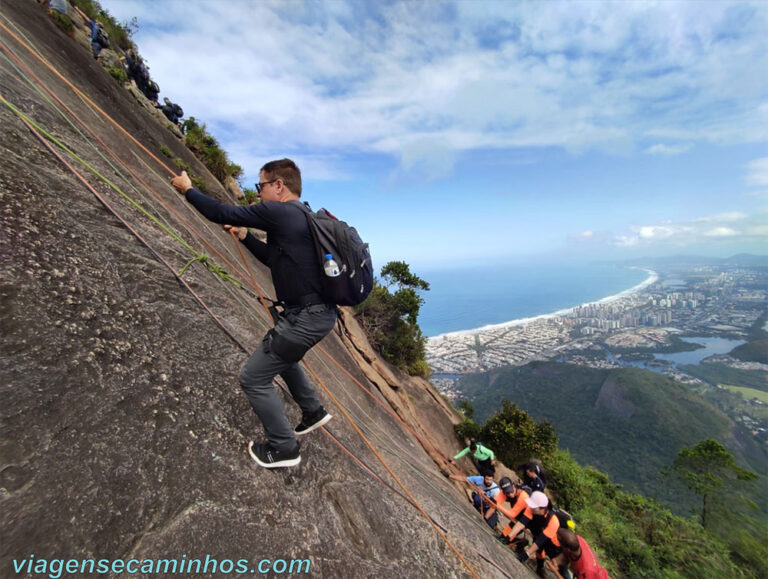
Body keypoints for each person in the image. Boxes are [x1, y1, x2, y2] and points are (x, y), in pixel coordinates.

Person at [170, 159, 337, 468]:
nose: (257, 192)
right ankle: (312, 411)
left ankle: (285, 448)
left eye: (260, 186)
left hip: (305, 317)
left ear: (279, 185)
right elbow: (275, 261)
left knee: (253, 377)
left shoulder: (281, 212)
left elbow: (222, 211)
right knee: (281, 353)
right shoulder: (301, 215)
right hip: (316, 315)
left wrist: (188, 190)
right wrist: (246, 236)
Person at [505, 491, 568, 577]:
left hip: (555, 547)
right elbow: (521, 523)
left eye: (534, 507)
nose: (531, 508)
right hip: (540, 537)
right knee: (539, 550)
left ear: (542, 508)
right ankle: (540, 568)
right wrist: (507, 536)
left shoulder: (553, 520)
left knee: (562, 572)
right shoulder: (532, 509)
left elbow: (541, 540)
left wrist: (527, 554)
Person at [495, 478, 532, 544]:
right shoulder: (503, 492)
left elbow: (512, 514)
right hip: (520, 515)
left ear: (513, 486)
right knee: (504, 536)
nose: (511, 495)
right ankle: (505, 538)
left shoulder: (523, 495)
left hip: (529, 517)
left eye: (512, 492)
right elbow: (494, 503)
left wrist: (497, 505)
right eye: (508, 493)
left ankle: (520, 542)